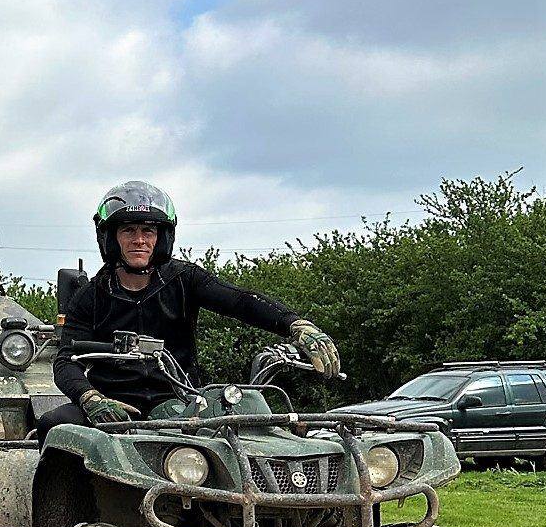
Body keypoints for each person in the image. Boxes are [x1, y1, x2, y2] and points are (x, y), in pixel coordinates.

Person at [36, 181, 341, 443]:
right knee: (54, 424)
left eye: (148, 231)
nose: (139, 240)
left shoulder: (184, 278)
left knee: (245, 428)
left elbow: (240, 301)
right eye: (128, 230)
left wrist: (296, 325)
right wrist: (91, 398)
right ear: (111, 237)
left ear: (161, 237)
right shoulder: (89, 296)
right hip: (113, 406)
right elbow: (65, 361)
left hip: (179, 401)